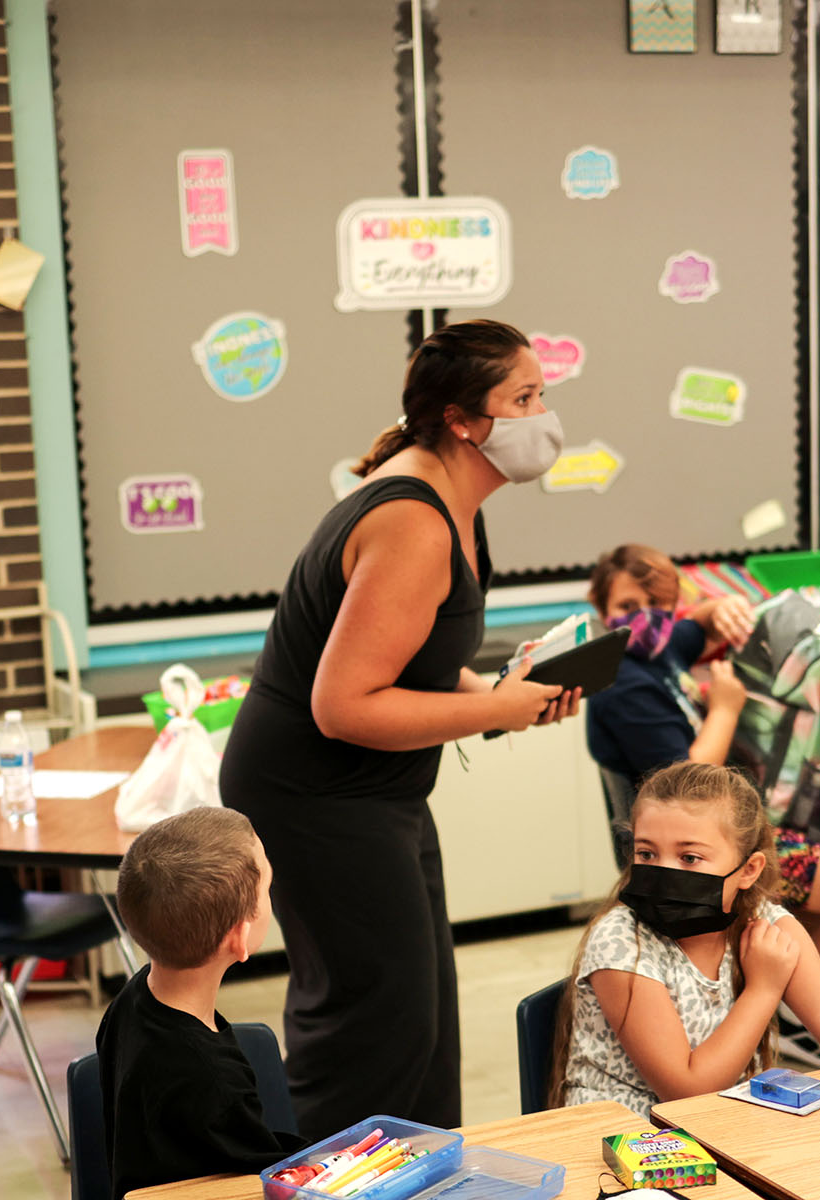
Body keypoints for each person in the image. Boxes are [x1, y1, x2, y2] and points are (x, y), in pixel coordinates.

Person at [219, 319, 579, 1139]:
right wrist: (497, 708)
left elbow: (408, 660)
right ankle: (322, 1184)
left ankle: (420, 1179)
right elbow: (342, 705)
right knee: (368, 1021)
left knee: (421, 1018)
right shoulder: (413, 518)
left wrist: (500, 691)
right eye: (522, 399)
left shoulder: (456, 501)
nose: (542, 416)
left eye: (543, 394)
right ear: (461, 420)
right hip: (314, 793)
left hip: (378, 790)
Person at [584, 544, 820, 996]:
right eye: (628, 607)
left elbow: (696, 627)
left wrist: (721, 608)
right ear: (599, 608)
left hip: (708, 847)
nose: (647, 618)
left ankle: (773, 998)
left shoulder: (652, 655)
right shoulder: (624, 686)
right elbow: (688, 787)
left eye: (659, 605)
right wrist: (726, 709)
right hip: (691, 867)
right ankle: (787, 1013)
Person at [547, 762, 820, 1118]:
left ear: (748, 870)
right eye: (647, 854)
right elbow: (686, 1090)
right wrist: (763, 990)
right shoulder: (621, 943)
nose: (663, 872)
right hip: (625, 1145)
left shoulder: (764, 924)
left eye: (689, 858)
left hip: (721, 1129)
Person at [96, 807, 304, 1200]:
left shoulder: (131, 999)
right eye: (267, 889)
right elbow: (257, 1182)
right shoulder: (212, 1076)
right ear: (239, 938)